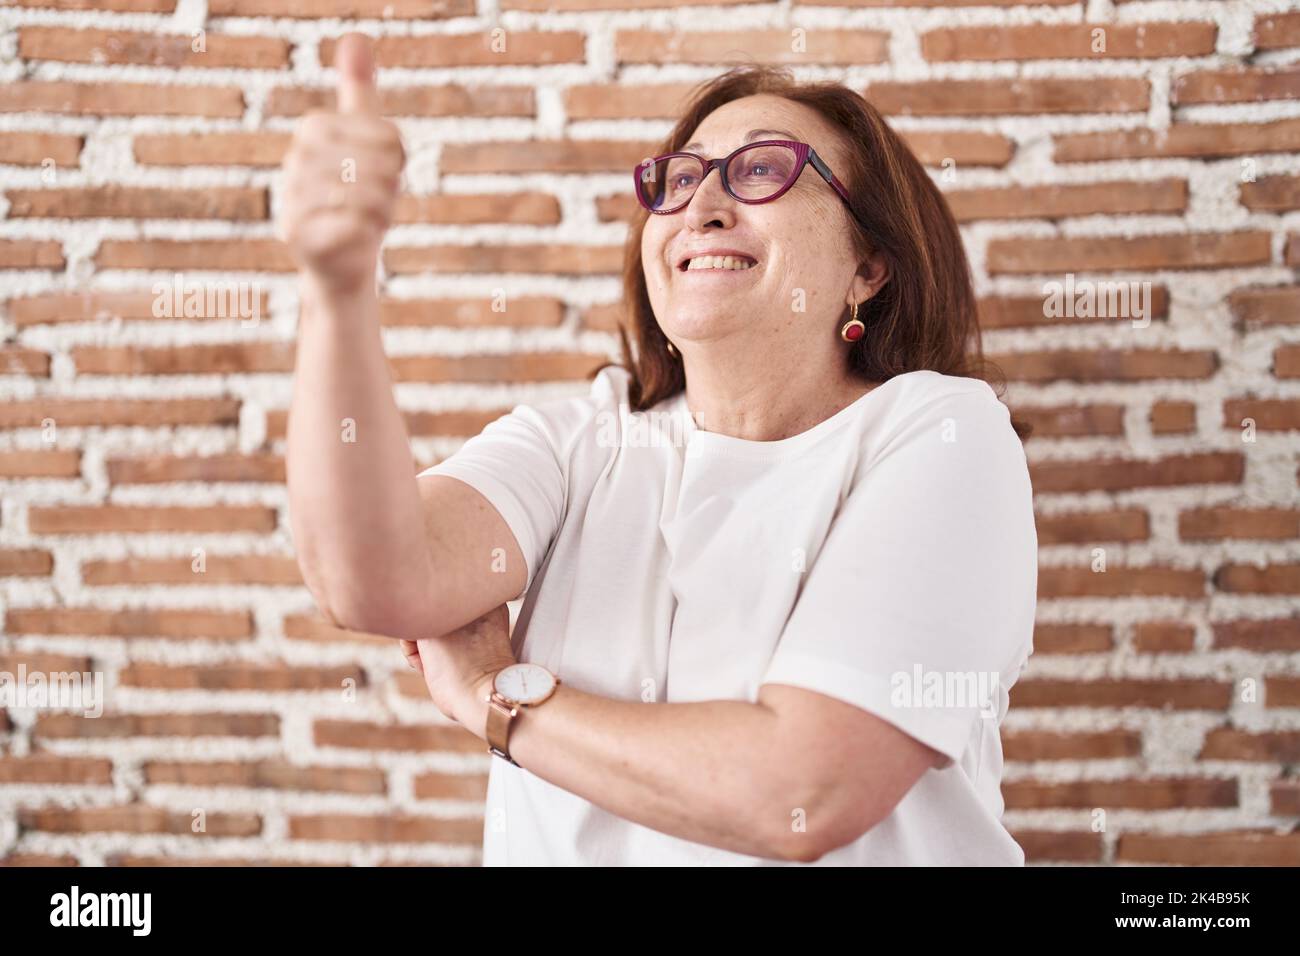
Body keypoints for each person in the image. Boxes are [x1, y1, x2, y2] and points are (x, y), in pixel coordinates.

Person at [282, 32, 1038, 866]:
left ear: (870, 264)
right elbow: (374, 578)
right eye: (681, 178)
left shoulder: (940, 434)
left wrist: (497, 700)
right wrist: (337, 291)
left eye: (761, 170)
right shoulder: (579, 440)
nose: (701, 204)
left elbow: (801, 791)